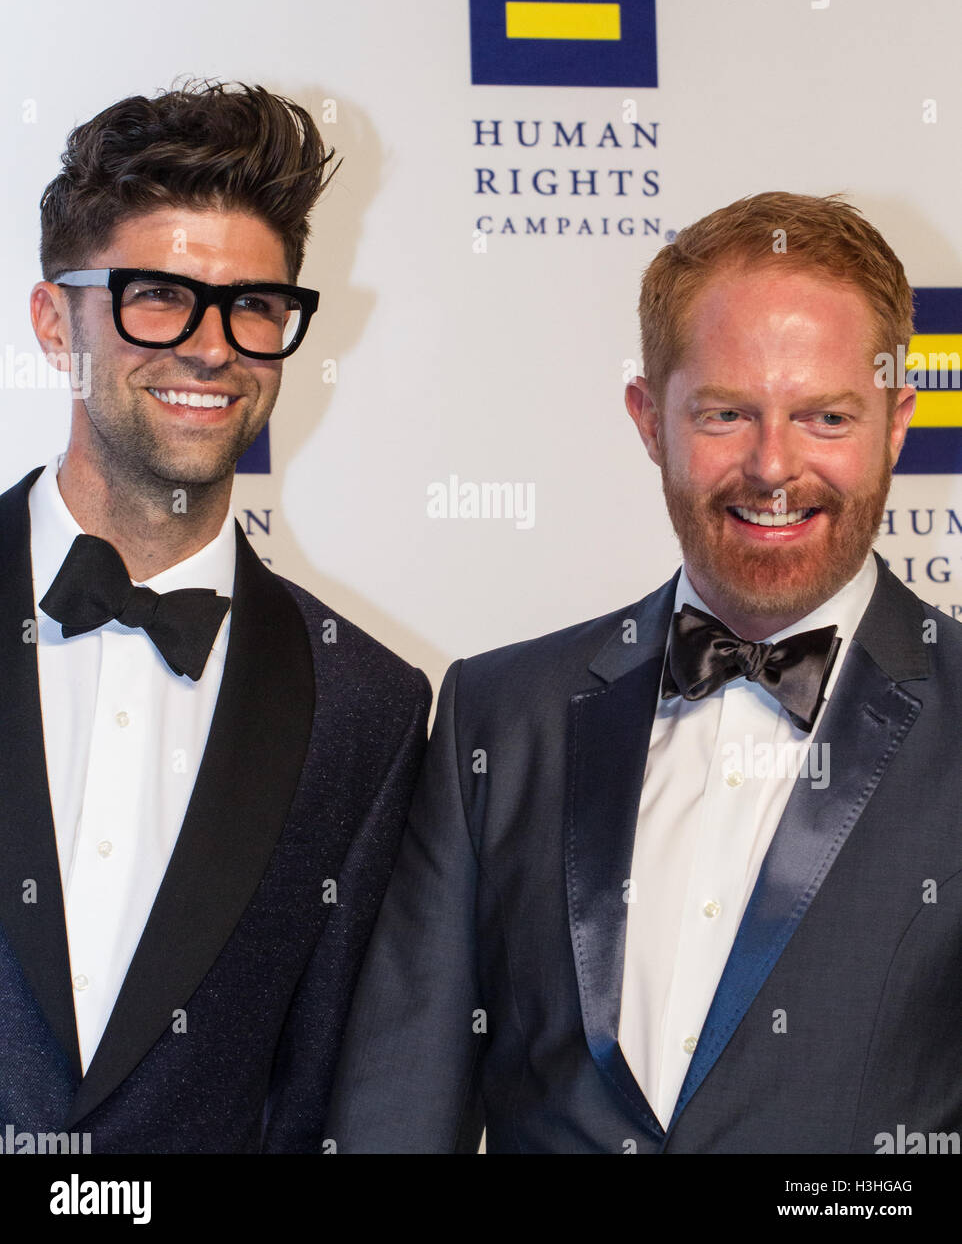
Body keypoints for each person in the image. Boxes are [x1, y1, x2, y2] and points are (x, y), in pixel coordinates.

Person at [326, 191, 960, 1155]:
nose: (774, 465)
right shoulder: (495, 719)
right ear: (648, 420)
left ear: (896, 423)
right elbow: (398, 1109)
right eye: (725, 413)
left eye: (826, 415)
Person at [0, 80, 429, 1153]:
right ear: (57, 321)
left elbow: (328, 1089)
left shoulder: (366, 708)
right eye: (156, 295)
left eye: (253, 306)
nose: (211, 346)